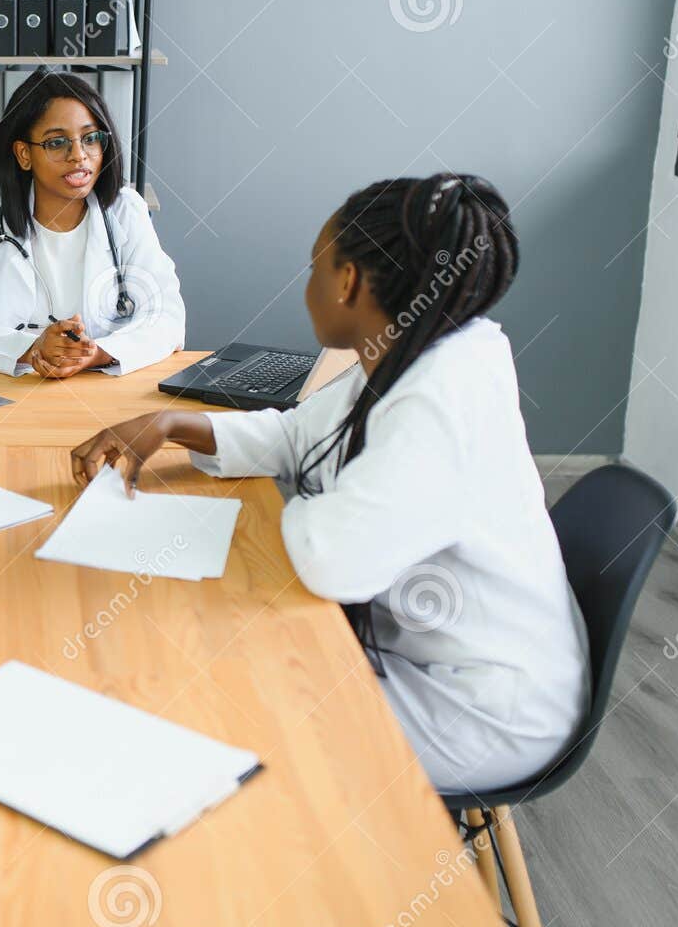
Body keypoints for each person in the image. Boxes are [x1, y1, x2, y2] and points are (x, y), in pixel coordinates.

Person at [70, 173, 588, 795]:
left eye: (315, 269)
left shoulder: (442, 398)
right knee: (204, 660)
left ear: (347, 283)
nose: (307, 286)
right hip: (427, 654)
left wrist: (279, 509)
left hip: (479, 711)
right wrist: (175, 423)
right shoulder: (418, 347)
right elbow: (300, 437)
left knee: (204, 706)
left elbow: (330, 561)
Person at [0, 70, 184, 378]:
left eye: (90, 138)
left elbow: (168, 318)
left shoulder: (125, 209)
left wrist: (95, 354)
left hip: (100, 388)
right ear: (24, 154)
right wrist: (30, 348)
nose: (78, 156)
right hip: (9, 390)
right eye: (57, 142)